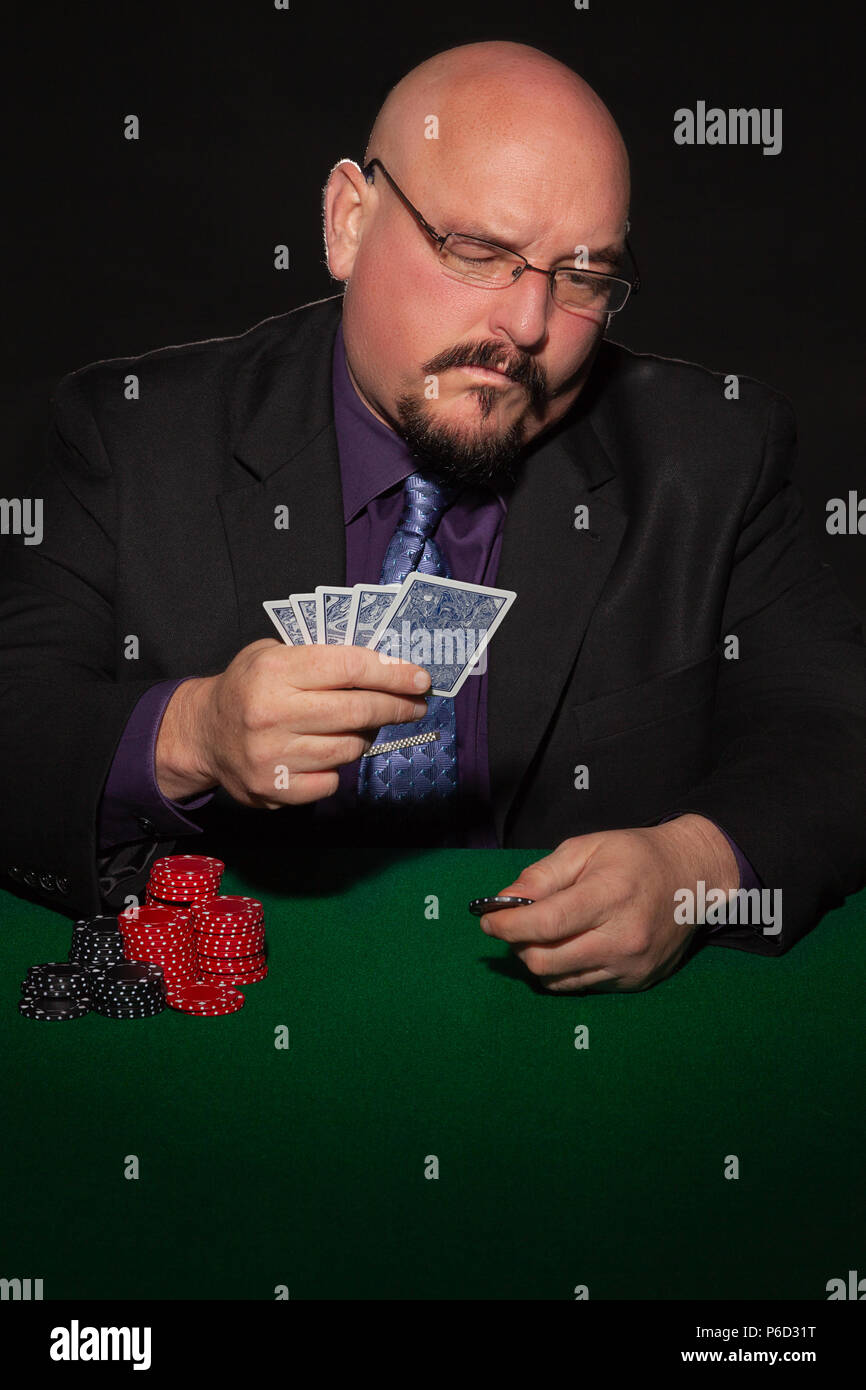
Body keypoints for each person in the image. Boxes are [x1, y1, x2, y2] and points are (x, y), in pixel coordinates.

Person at [1, 41, 864, 994]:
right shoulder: (133, 436)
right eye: (479, 252)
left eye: (580, 277)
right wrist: (192, 732)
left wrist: (696, 871)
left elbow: (840, 734)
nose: (530, 325)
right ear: (346, 222)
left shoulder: (712, 457)